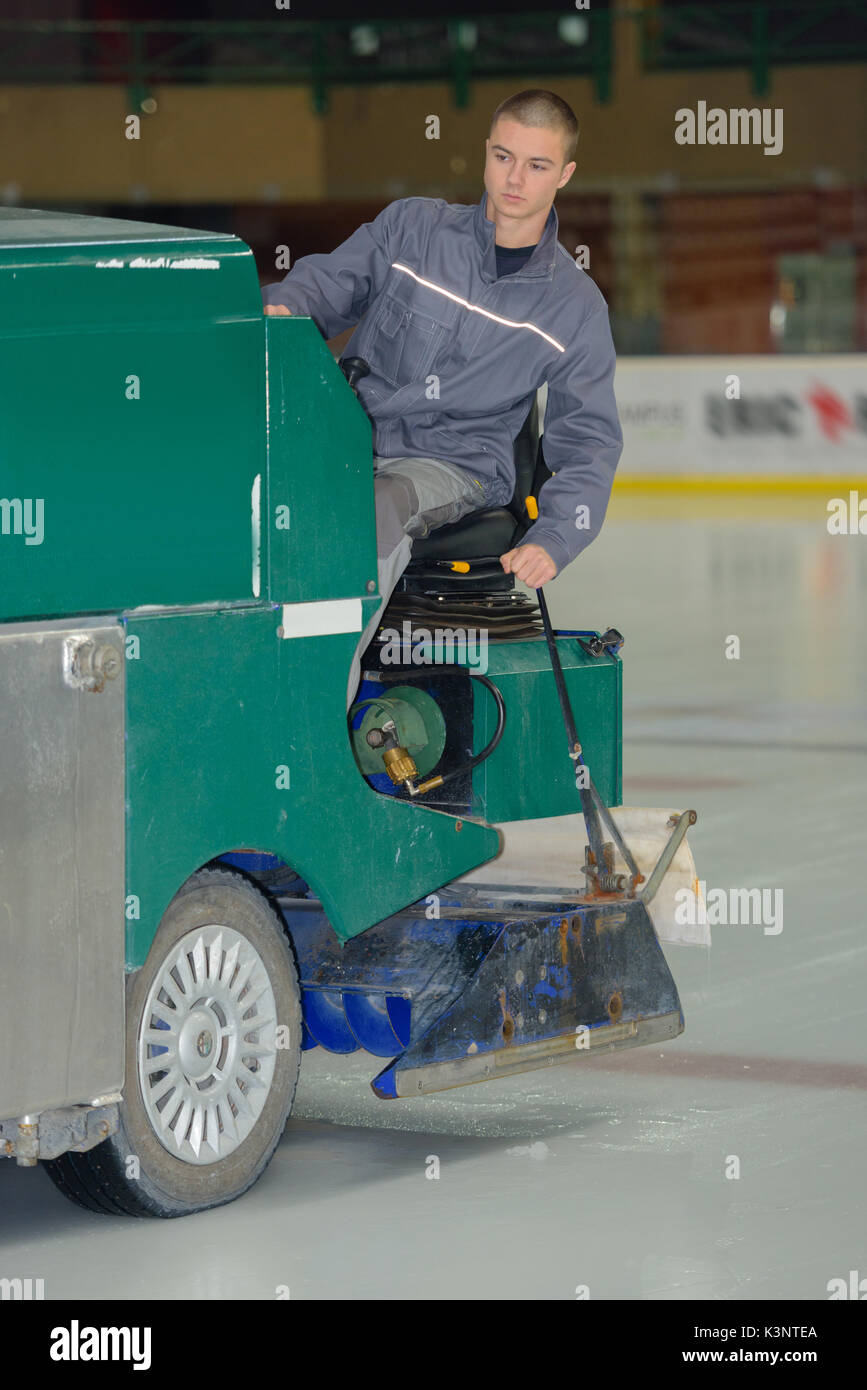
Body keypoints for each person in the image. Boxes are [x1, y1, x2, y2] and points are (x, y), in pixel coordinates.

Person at [262, 89, 623, 711]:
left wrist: (556, 538)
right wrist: (286, 307)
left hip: (452, 464)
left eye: (537, 165)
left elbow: (588, 440)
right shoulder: (413, 228)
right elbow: (329, 282)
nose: (515, 178)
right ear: (486, 153)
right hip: (351, 435)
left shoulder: (576, 307)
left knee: (376, 504)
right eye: (505, 156)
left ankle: (313, 711)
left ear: (564, 174)